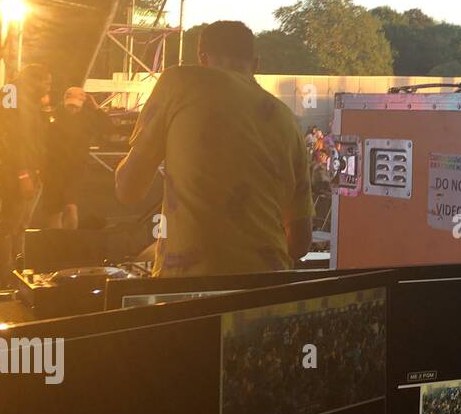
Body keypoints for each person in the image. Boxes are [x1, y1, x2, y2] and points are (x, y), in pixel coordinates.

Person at [114, 21, 313, 276]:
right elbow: (300, 243)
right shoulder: (287, 120)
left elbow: (128, 190)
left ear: (201, 58)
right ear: (255, 64)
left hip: (188, 290)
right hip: (267, 290)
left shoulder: (179, 82)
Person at [0, 62, 52, 273]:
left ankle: (18, 270)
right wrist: (22, 172)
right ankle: (6, 272)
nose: (48, 87)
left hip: (31, 169)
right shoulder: (11, 92)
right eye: (45, 82)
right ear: (34, 80)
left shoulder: (33, 103)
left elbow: (37, 138)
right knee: (10, 224)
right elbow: (9, 135)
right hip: (14, 171)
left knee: (22, 225)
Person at [43, 87, 108, 230]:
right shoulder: (55, 117)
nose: (73, 109)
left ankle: (65, 244)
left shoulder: (85, 119)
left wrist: (96, 108)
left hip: (72, 169)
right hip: (56, 170)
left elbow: (108, 127)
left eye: (75, 106)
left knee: (69, 208)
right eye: (70, 106)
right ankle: (60, 245)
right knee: (58, 211)